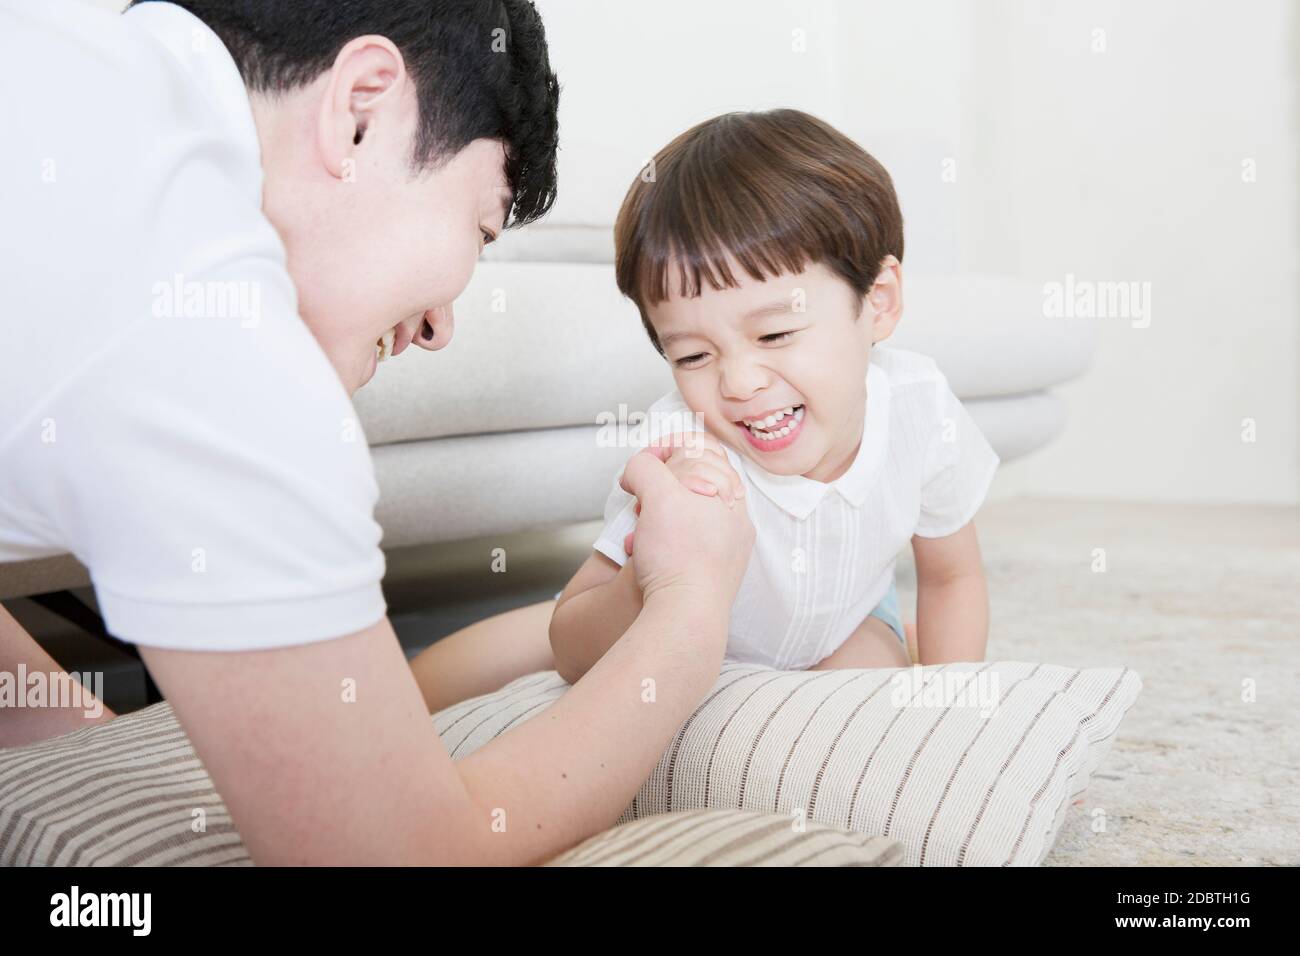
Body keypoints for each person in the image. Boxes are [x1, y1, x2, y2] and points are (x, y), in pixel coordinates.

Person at [0, 0, 753, 865]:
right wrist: (691, 614)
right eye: (479, 227)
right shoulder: (215, 341)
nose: (440, 328)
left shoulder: (59, 65)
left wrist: (82, 738)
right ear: (362, 108)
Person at [549, 109, 1000, 683]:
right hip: (709, 643)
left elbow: (951, 578)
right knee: (526, 651)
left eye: (775, 334)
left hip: (850, 621)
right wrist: (646, 573)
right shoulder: (681, 449)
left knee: (867, 700)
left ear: (878, 302)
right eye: (691, 356)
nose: (739, 383)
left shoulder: (918, 405)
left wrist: (954, 704)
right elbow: (571, 651)